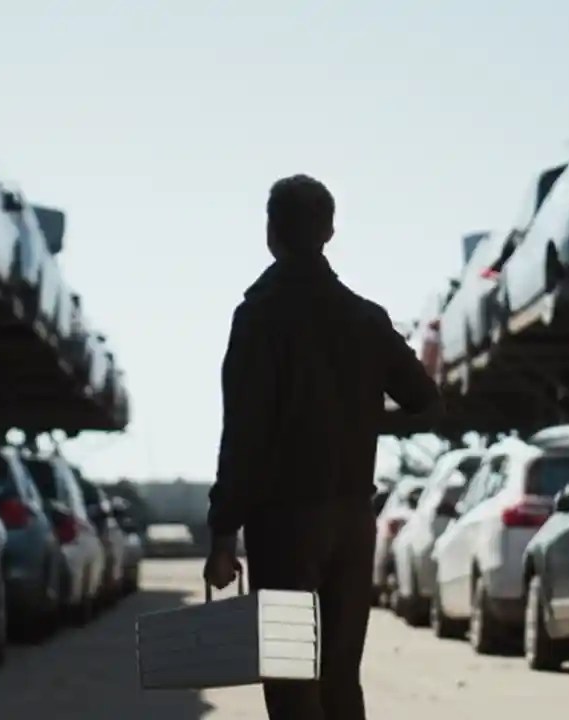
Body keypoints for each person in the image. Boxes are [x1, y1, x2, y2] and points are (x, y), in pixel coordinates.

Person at [204, 175, 440, 720]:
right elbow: (426, 402)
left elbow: (242, 433)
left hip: (283, 527)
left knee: (291, 683)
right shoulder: (365, 318)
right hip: (352, 524)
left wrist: (223, 535)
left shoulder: (259, 317)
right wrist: (361, 421)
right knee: (340, 680)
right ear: (330, 231)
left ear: (271, 233)